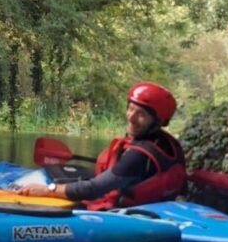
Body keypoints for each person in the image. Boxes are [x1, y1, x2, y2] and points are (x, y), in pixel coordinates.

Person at [18, 82, 186, 209]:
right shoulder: (168, 143)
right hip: (158, 205)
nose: (131, 117)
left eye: (140, 114)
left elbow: (94, 189)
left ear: (157, 121)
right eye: (131, 109)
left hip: (133, 214)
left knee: (75, 185)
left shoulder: (139, 155)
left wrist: (48, 190)